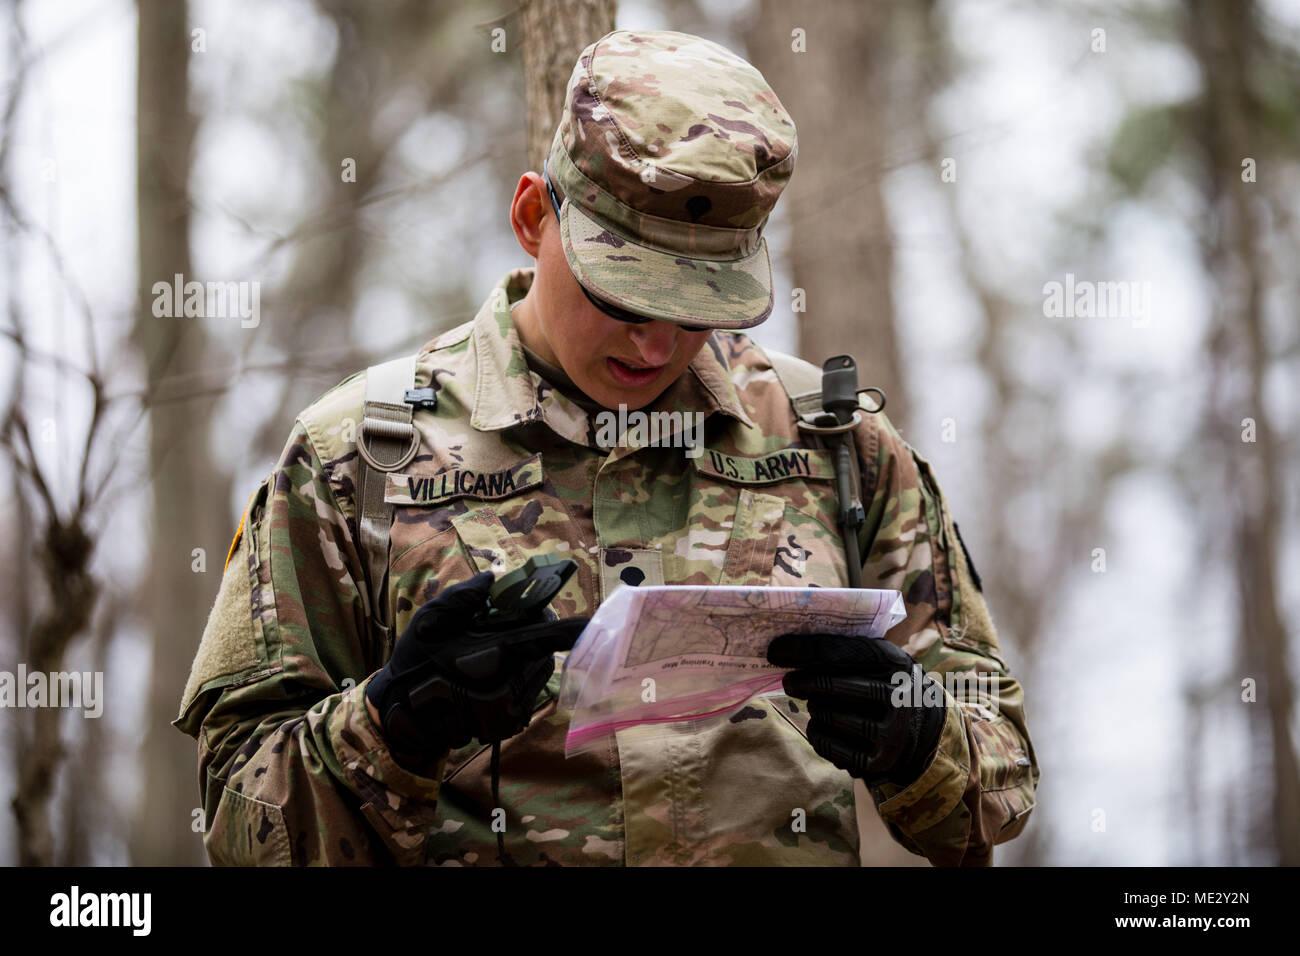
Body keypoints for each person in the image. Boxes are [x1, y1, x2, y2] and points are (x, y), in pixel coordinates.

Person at [175, 28, 1038, 867]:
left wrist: (920, 736)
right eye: (623, 298)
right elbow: (241, 824)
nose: (657, 346)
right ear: (530, 217)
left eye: (702, 309)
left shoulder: (836, 443)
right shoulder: (358, 458)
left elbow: (998, 784)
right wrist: (395, 725)